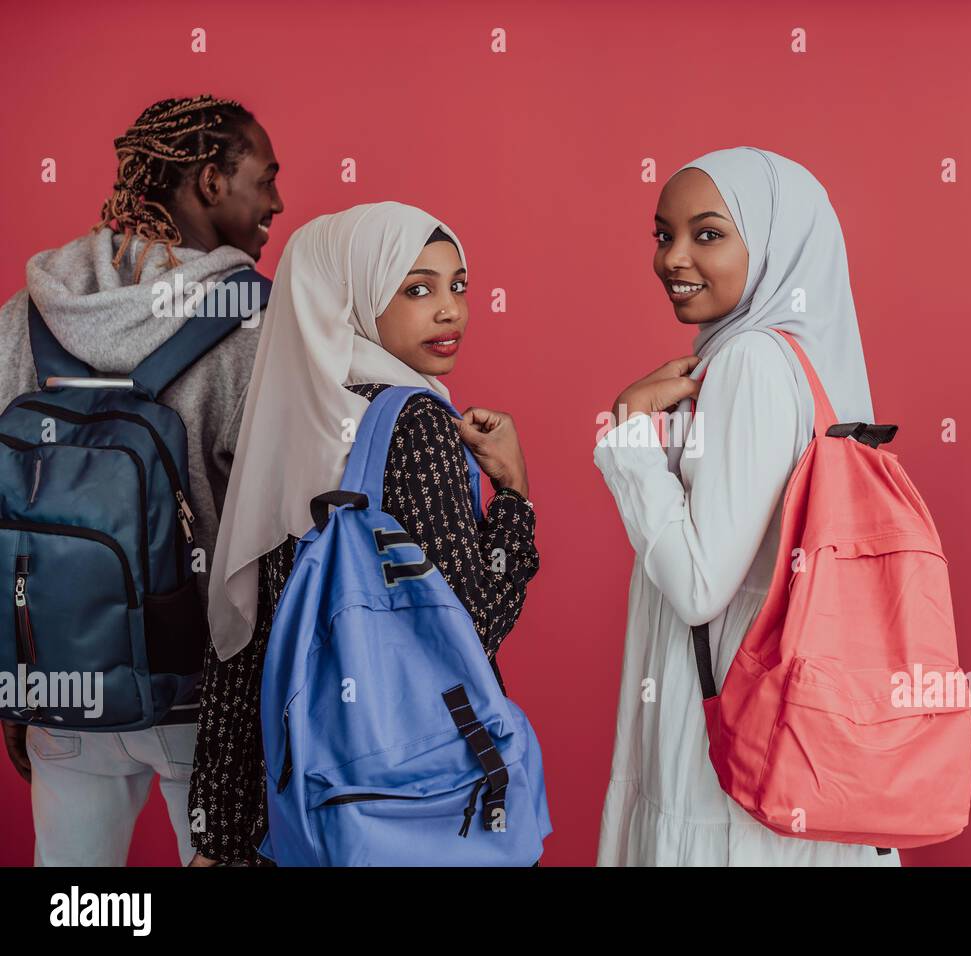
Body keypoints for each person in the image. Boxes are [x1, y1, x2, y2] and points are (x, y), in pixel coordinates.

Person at [188, 201, 540, 866]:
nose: (450, 310)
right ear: (351, 295)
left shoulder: (285, 417)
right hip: (424, 795)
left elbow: (246, 647)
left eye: (457, 285)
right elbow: (472, 628)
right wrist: (516, 497)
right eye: (416, 289)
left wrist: (219, 836)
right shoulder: (415, 424)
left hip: (308, 806)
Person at [593, 146, 898, 865]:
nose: (673, 258)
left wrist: (629, 426)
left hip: (724, 734)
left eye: (707, 234)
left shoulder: (750, 362)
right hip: (793, 736)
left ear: (771, 242)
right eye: (663, 235)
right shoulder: (804, 358)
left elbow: (700, 586)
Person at [0, 94, 283, 865]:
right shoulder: (258, 323)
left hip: (63, 678)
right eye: (265, 178)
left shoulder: (29, 311)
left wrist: (18, 673)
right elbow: (285, 521)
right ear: (209, 182)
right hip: (208, 689)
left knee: (80, 905)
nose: (279, 202)